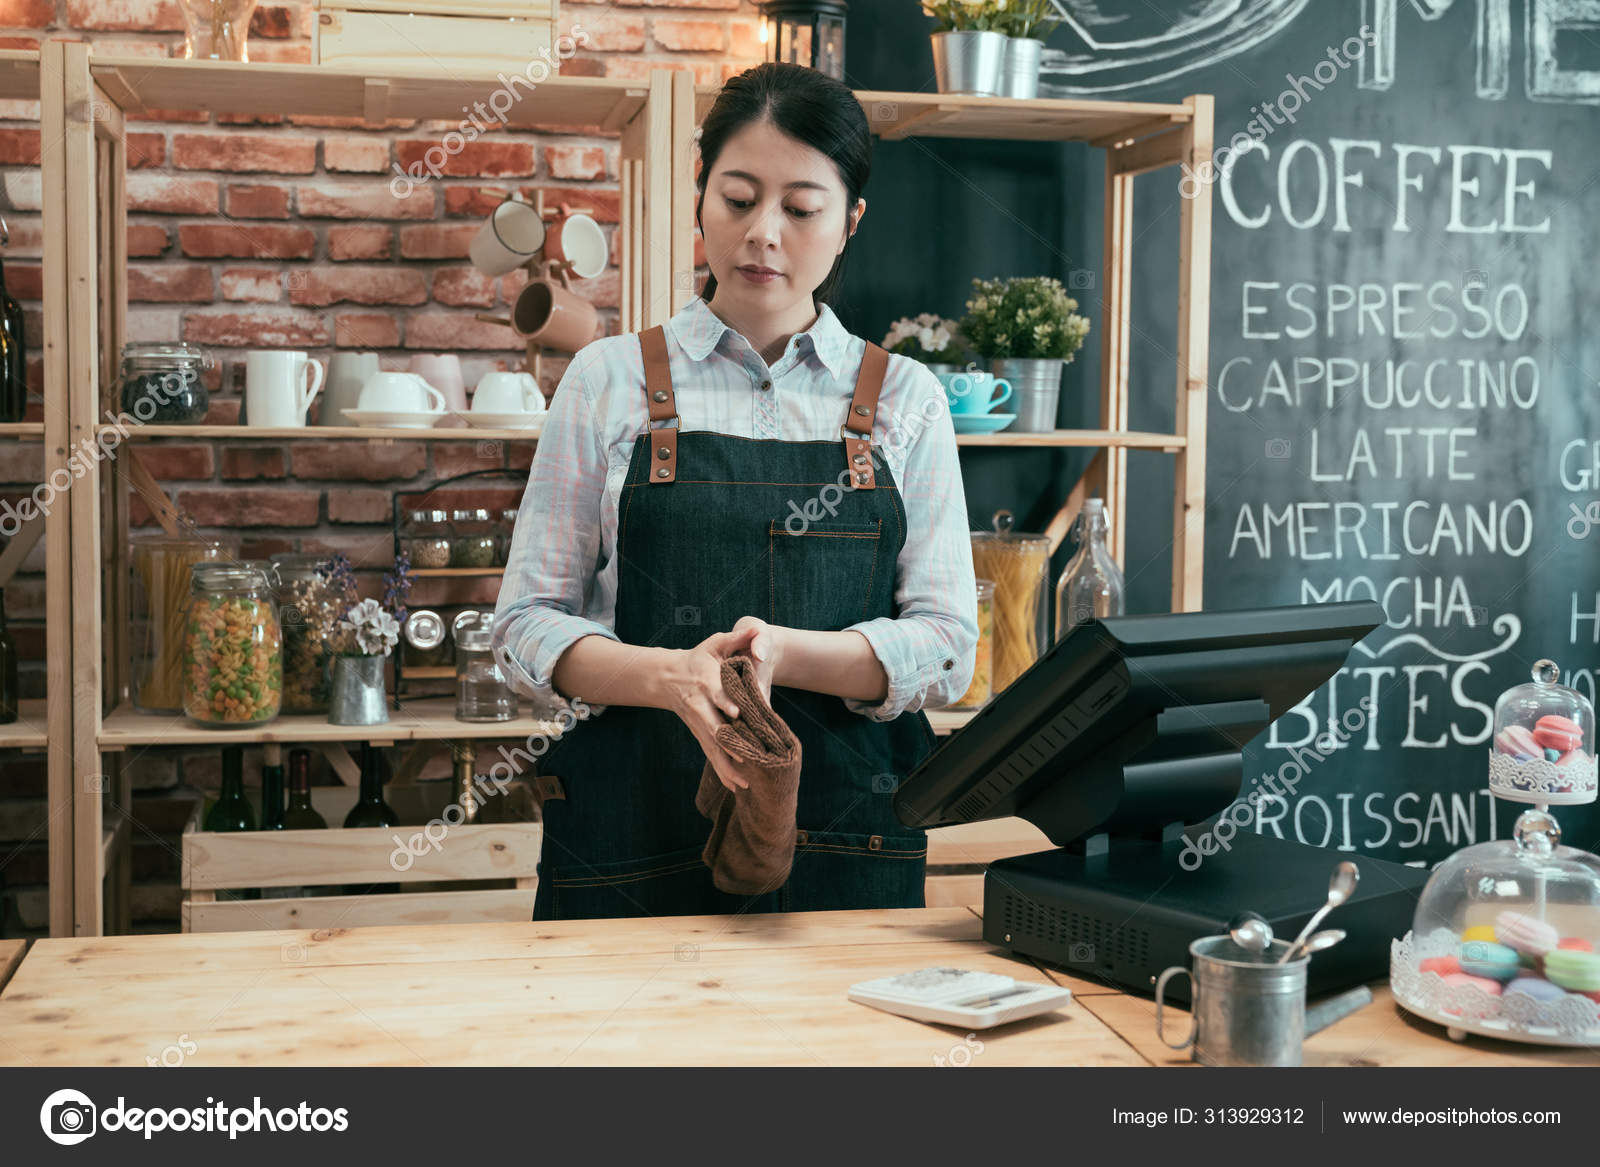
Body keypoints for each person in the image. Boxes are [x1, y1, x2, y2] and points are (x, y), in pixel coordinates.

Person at [492, 61, 978, 921]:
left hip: (847, 855)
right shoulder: (607, 381)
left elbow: (946, 646)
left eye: (800, 208)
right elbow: (525, 623)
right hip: (628, 847)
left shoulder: (906, 399)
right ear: (698, 199)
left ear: (849, 222)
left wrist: (787, 656)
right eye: (739, 197)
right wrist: (672, 677)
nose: (763, 233)